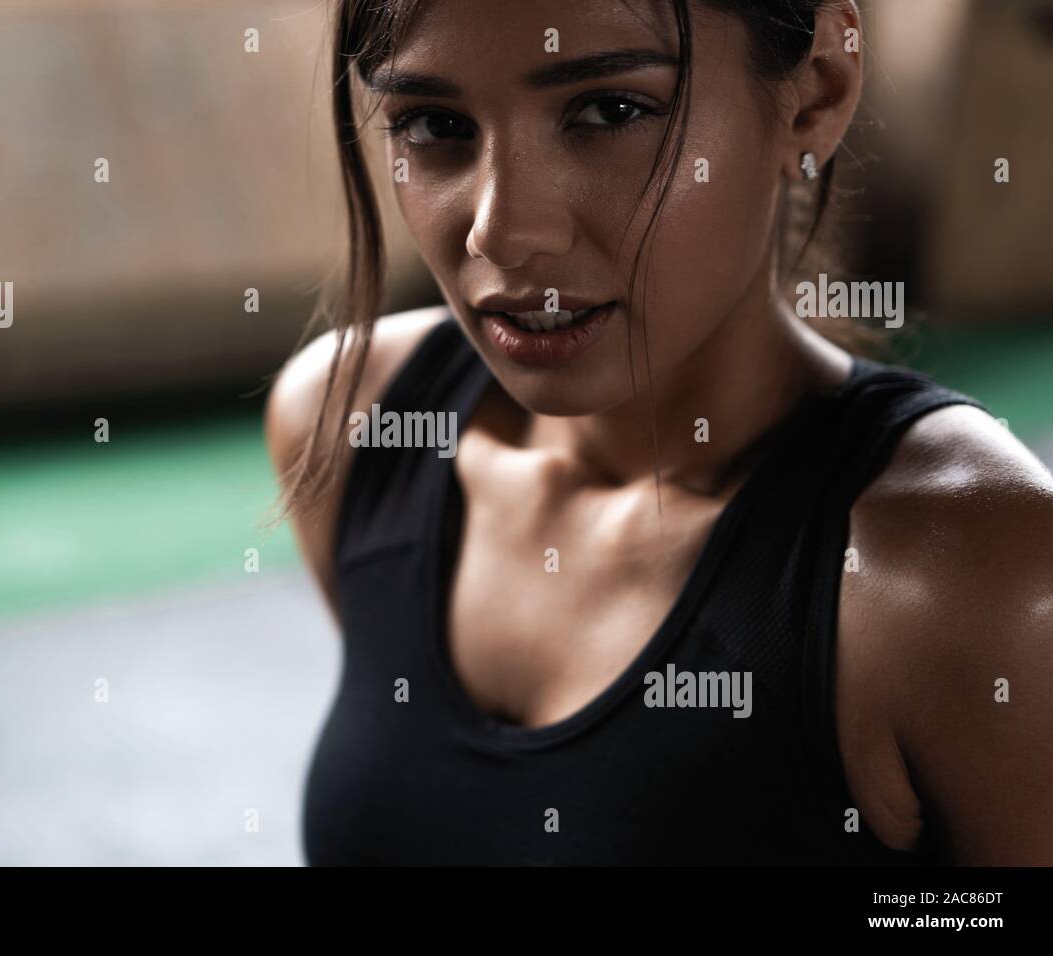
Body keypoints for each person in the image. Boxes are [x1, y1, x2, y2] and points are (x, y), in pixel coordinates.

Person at [264, 0, 1053, 864]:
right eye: (434, 124)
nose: (504, 229)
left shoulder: (966, 572)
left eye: (609, 111)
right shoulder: (354, 426)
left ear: (816, 93)